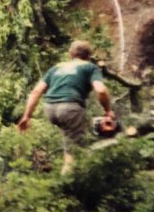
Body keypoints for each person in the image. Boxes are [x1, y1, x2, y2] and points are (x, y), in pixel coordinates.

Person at [17, 40, 113, 174]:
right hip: (70, 108)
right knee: (73, 155)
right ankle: (67, 186)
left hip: (49, 108)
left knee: (72, 138)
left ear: (70, 54)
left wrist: (27, 116)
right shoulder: (90, 67)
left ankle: (77, 171)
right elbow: (101, 90)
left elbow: (36, 92)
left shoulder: (56, 68)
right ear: (89, 55)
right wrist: (108, 110)